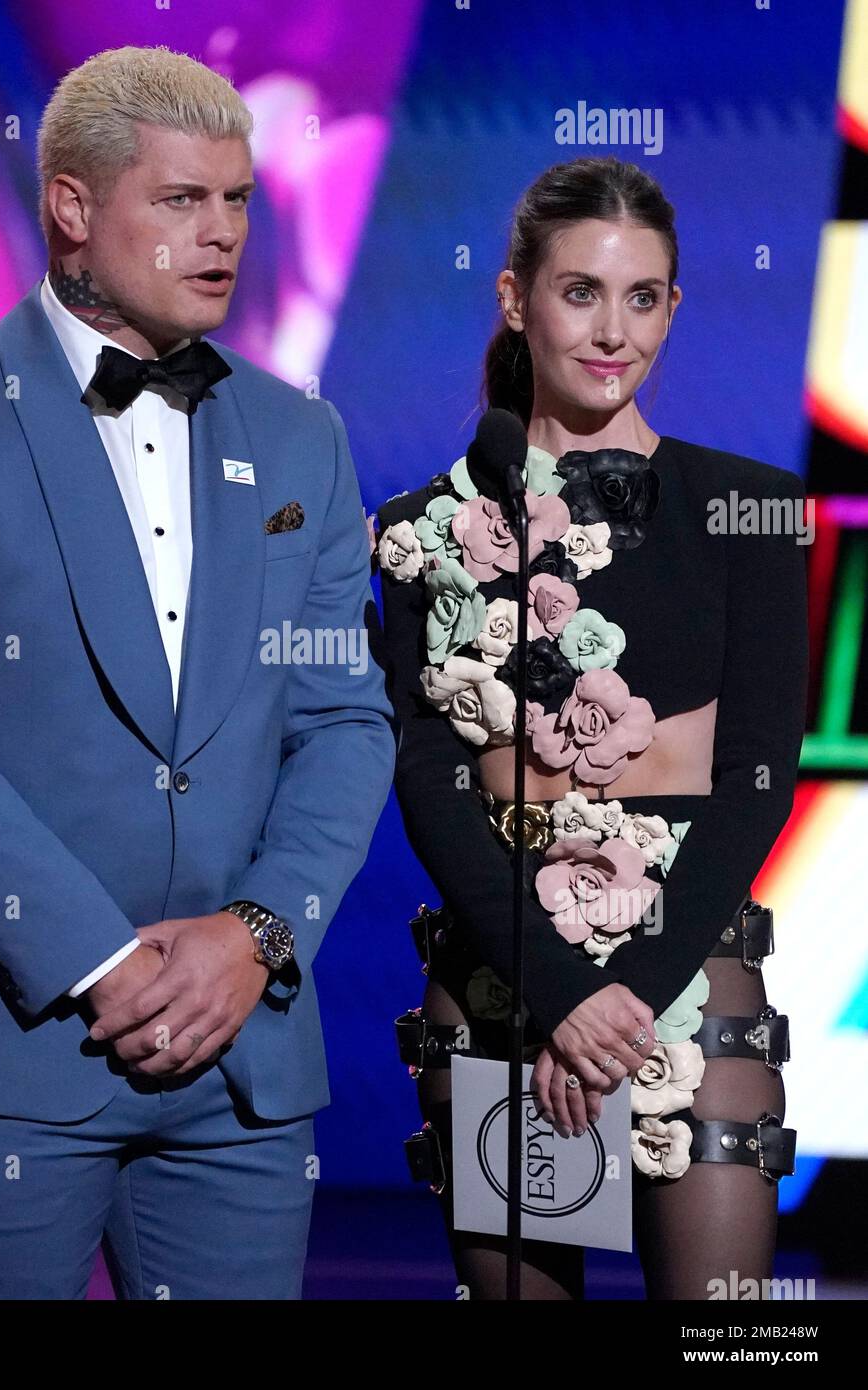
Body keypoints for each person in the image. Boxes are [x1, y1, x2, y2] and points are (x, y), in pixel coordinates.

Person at [0, 44, 396, 1300]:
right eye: (182, 200)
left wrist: (256, 934)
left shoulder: (302, 434)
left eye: (237, 200)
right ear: (73, 209)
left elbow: (344, 720)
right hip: (5, 1052)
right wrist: (108, 963)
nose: (224, 234)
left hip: (244, 1060)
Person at [374, 156, 809, 1300]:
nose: (613, 331)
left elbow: (757, 775)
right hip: (501, 965)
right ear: (515, 297)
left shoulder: (750, 508)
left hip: (692, 965)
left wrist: (622, 996)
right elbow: (429, 775)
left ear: (673, 304)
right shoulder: (425, 527)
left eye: (644, 296)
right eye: (580, 292)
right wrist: (557, 988)